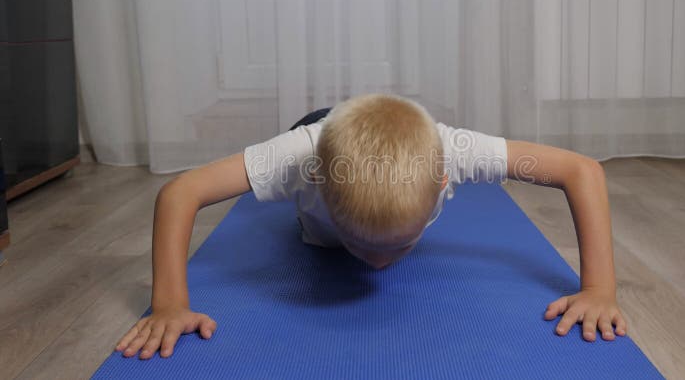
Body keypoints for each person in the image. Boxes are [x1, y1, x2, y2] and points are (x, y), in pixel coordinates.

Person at [115, 94, 627, 360]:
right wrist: (170, 305)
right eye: (360, 245)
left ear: (446, 182)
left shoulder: (452, 150)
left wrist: (599, 289)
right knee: (289, 166)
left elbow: (582, 170)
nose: (379, 263)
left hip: (391, 136)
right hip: (317, 130)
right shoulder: (298, 160)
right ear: (316, 184)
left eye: (399, 246)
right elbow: (180, 192)